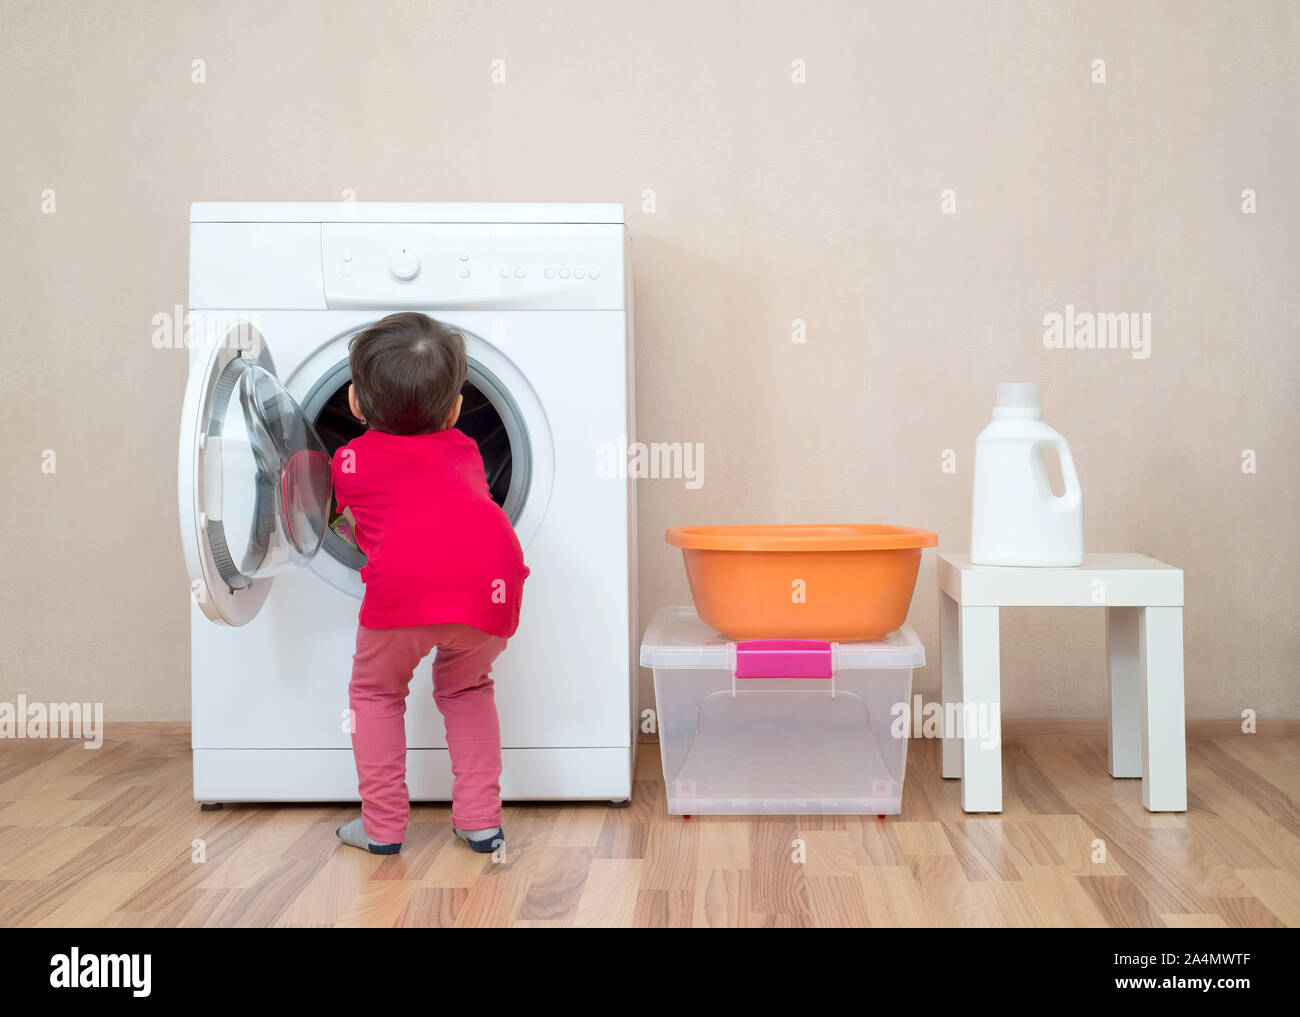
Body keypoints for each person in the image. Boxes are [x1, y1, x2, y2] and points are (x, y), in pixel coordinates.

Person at [330, 312, 529, 855]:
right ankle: (481, 822)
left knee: (376, 694)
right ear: (458, 408)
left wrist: (346, 523)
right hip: (491, 584)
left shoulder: (346, 460)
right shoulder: (467, 448)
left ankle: (383, 826)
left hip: (405, 596)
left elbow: (344, 518)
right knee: (467, 690)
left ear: (353, 404)